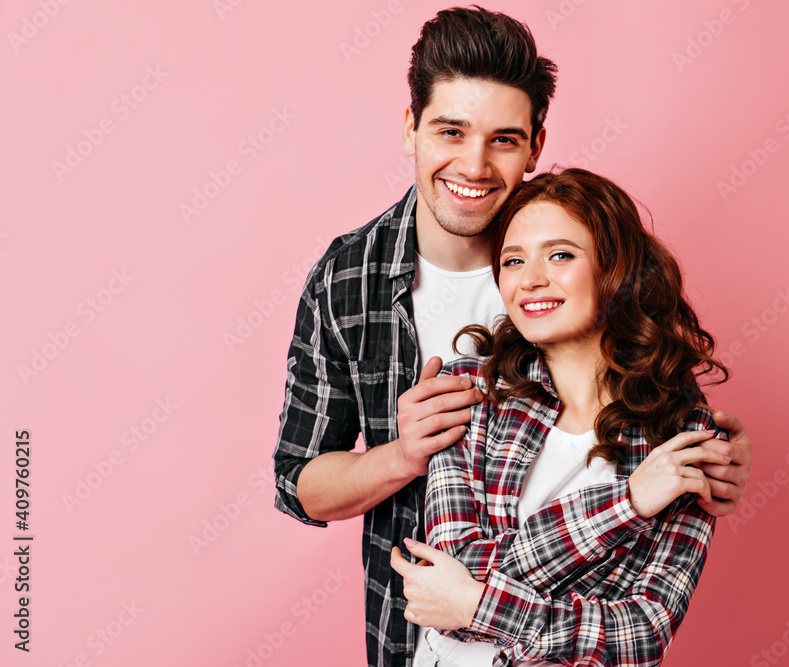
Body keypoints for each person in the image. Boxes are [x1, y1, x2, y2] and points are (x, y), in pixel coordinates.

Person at [272, 7, 753, 667]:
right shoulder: (347, 278)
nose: (474, 164)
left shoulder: (574, 244)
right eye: (450, 130)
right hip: (412, 636)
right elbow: (298, 481)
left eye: (502, 138)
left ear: (535, 144)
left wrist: (713, 452)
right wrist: (403, 456)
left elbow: (643, 619)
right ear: (411, 128)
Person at [391, 168, 730, 667]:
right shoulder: (466, 390)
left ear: (616, 268)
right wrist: (628, 504)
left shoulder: (686, 434)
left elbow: (642, 635)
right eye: (513, 260)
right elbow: (452, 569)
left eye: (561, 255)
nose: (530, 280)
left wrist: (478, 605)